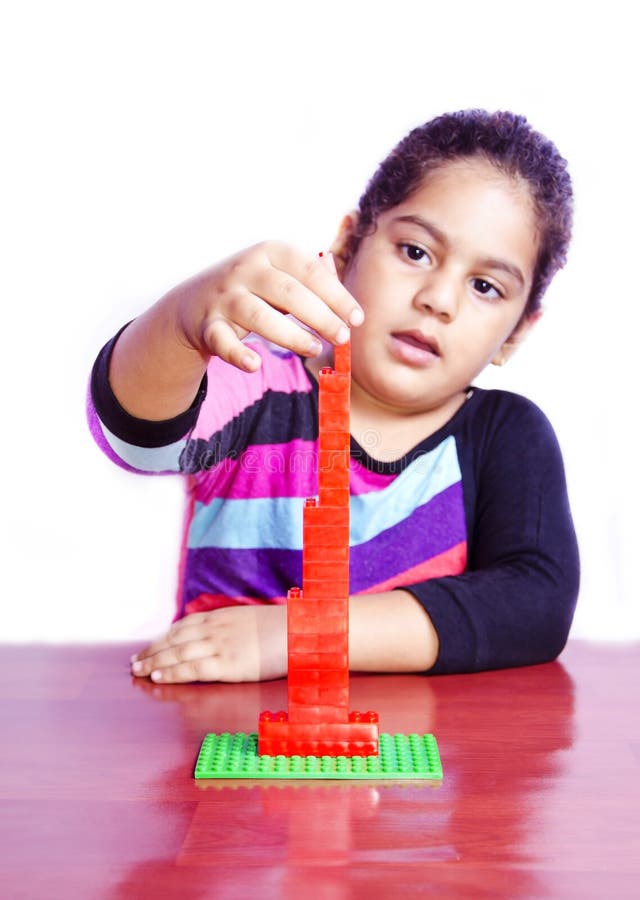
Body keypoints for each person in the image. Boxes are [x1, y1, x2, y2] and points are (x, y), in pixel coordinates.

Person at [88, 109, 580, 683]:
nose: (439, 299)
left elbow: (535, 605)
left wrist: (300, 634)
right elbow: (135, 435)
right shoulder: (255, 384)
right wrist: (180, 324)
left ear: (517, 331)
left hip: (412, 756)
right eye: (415, 252)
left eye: (485, 287)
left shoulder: (504, 436)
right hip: (220, 740)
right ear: (347, 246)